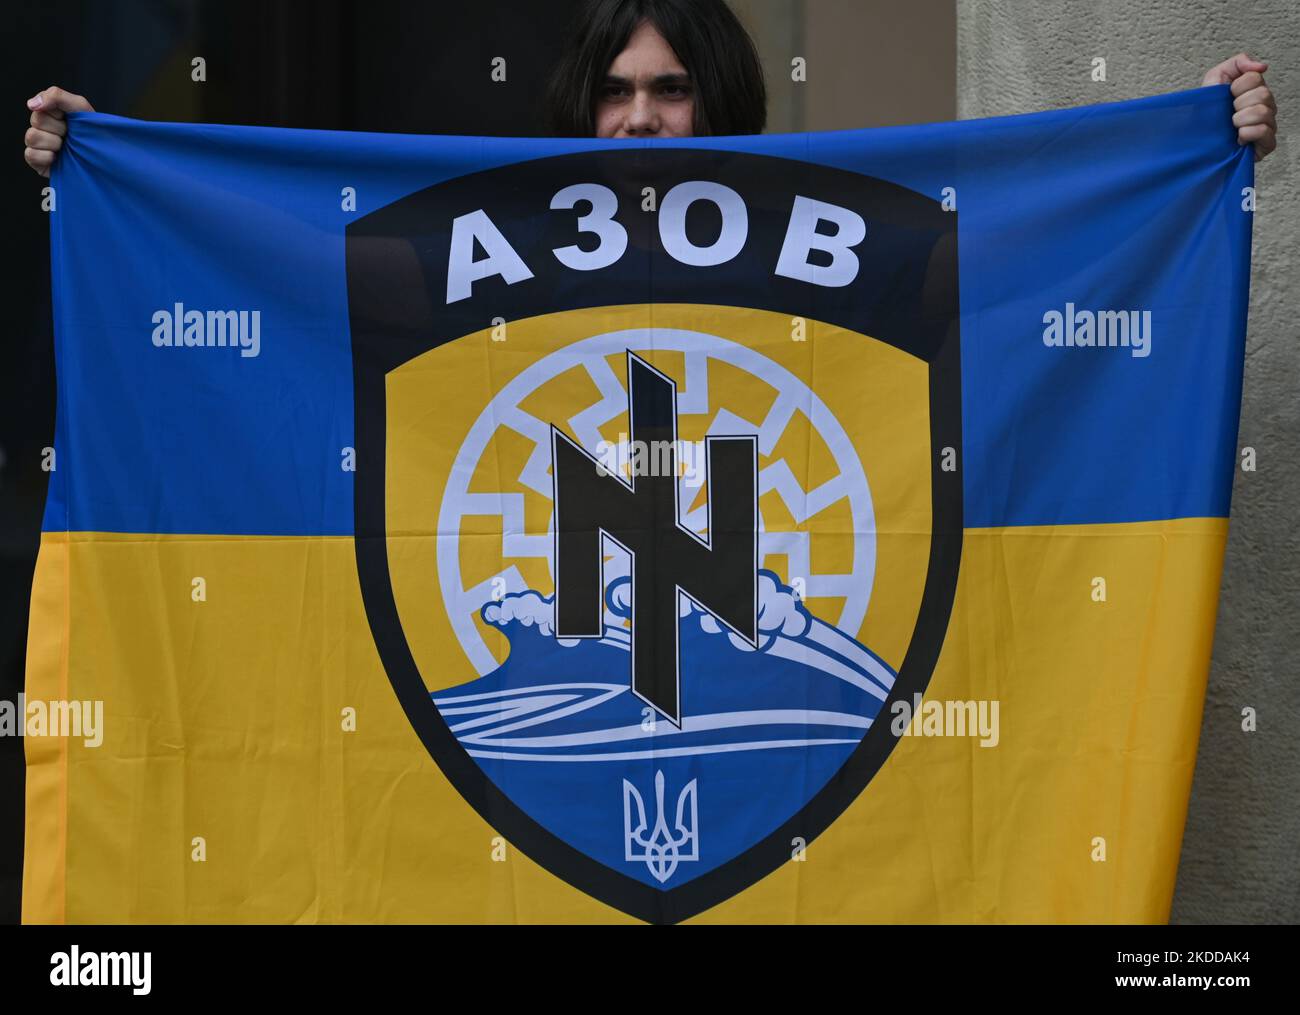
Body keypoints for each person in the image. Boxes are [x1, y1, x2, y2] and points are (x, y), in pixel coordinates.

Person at [22, 0, 1278, 171]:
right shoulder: (481, 227)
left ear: (717, 102)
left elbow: (1011, 250)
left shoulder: (836, 223)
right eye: (620, 89)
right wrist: (109, 167)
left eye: (671, 89)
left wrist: (1192, 143)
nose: (639, 113)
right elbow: (286, 269)